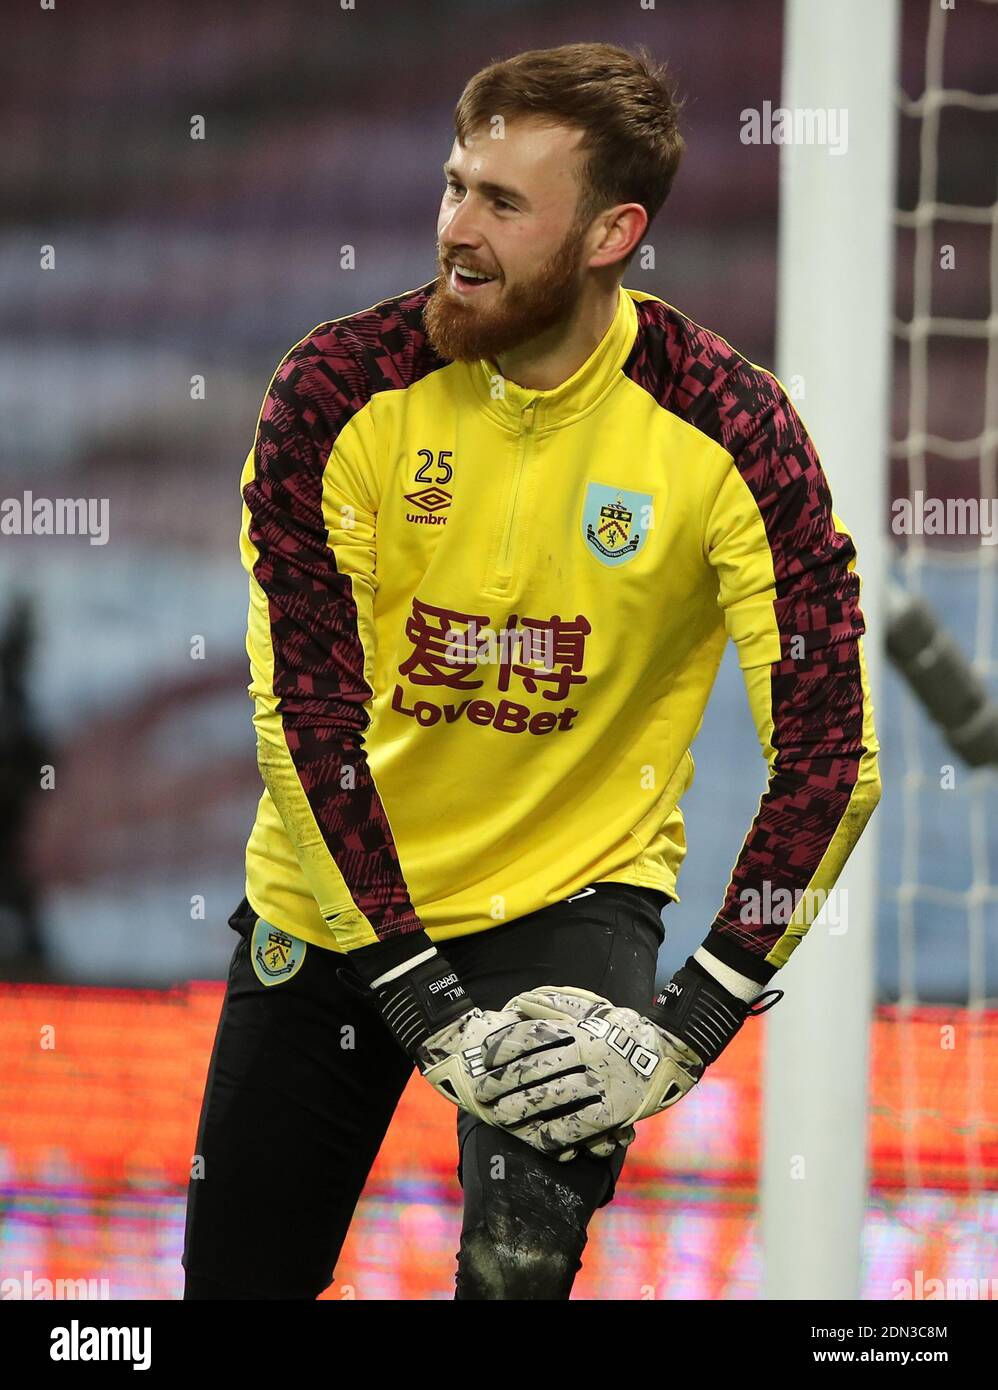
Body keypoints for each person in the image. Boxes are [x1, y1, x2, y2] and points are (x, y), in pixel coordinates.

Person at [183, 40, 881, 1301]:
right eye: (455, 185)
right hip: (334, 901)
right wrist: (411, 990)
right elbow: (306, 725)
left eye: (504, 204)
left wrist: (694, 1018)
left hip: (567, 903)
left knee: (516, 1269)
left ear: (613, 231)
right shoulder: (335, 390)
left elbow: (830, 754)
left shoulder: (734, 429)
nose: (456, 228)